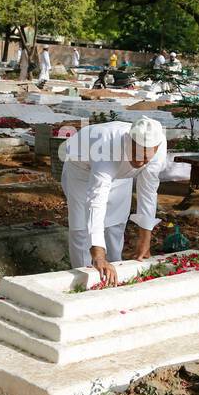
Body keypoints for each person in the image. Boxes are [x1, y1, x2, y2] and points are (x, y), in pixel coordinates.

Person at [60, 117, 166, 285]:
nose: (139, 161)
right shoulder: (107, 147)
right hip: (81, 170)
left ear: (157, 148)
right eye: (136, 154)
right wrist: (99, 254)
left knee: (115, 224)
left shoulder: (158, 148)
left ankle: (115, 271)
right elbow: (96, 199)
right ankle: (85, 276)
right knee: (81, 227)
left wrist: (145, 240)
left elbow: (148, 190)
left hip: (121, 173)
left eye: (145, 158)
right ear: (128, 141)